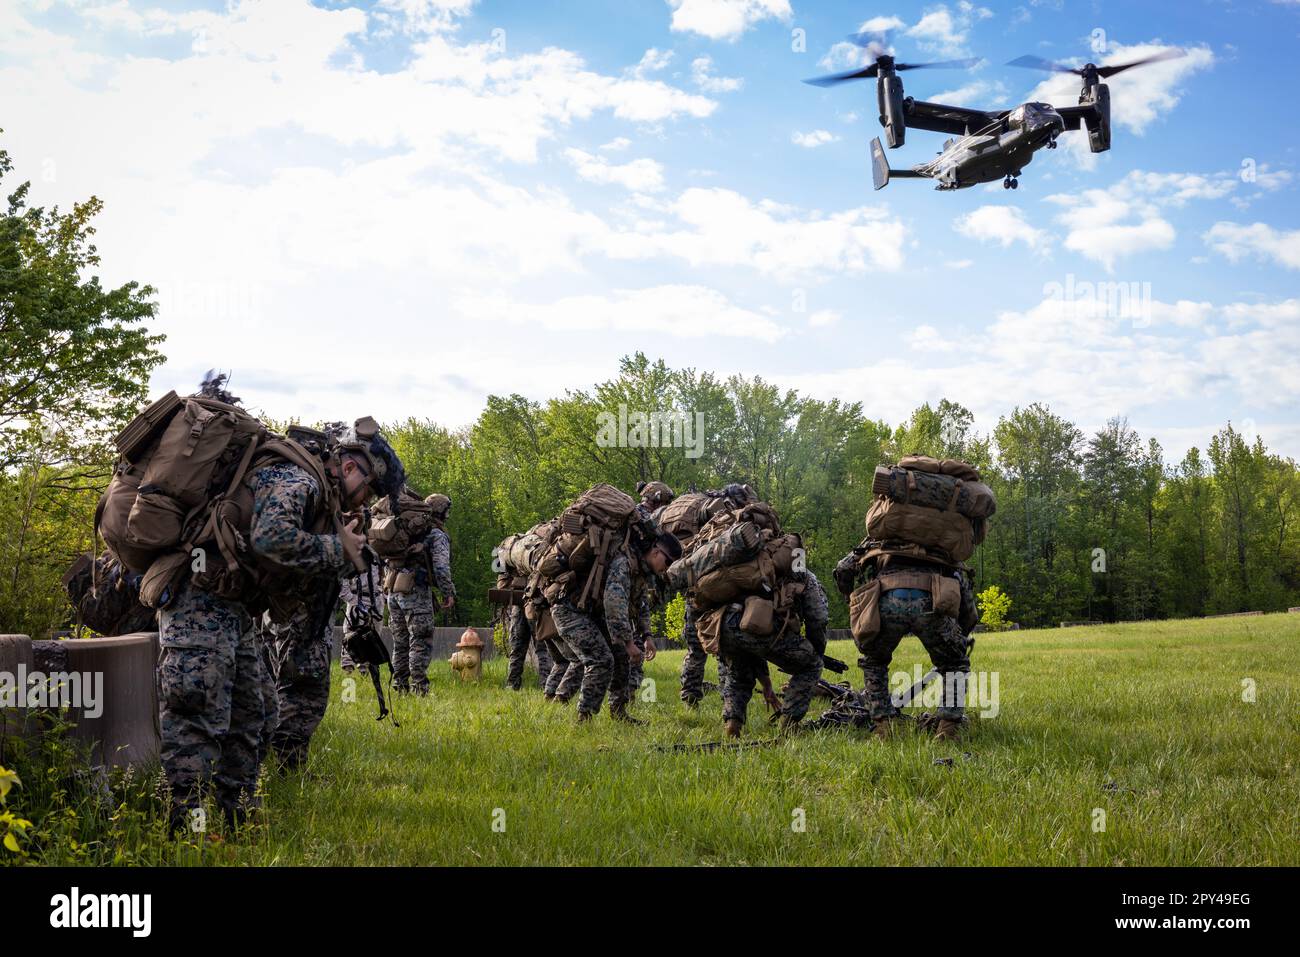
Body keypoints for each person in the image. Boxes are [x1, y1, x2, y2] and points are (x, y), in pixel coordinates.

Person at [157, 405, 403, 833]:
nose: (368, 501)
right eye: (369, 489)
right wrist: (337, 549)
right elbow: (271, 538)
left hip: (235, 610)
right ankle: (186, 829)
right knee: (198, 716)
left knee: (256, 712)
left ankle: (236, 816)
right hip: (199, 602)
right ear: (349, 466)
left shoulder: (319, 494)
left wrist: (340, 551)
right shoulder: (298, 477)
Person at [833, 546, 977, 741]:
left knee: (875, 662)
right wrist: (960, 637)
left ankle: (882, 727)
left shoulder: (880, 539)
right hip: (933, 601)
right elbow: (967, 603)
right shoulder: (942, 543)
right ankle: (947, 729)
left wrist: (851, 598)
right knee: (955, 664)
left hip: (886, 600)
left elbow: (843, 568)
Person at [550, 532, 681, 724]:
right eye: (668, 562)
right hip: (569, 609)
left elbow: (641, 603)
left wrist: (647, 636)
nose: (667, 568)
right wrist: (628, 642)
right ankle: (583, 718)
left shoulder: (642, 570)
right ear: (655, 552)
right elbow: (614, 604)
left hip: (591, 612)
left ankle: (618, 712)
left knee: (620, 658)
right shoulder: (624, 563)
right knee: (601, 659)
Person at [718, 570, 830, 736]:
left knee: (739, 673)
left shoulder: (747, 566)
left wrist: (766, 683)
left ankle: (732, 725)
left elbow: (753, 650)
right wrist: (816, 651)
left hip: (725, 627)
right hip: (759, 624)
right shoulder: (803, 575)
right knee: (812, 665)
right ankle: (789, 726)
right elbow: (818, 617)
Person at [388, 493, 455, 695]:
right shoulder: (435, 534)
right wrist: (448, 592)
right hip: (415, 592)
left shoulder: (408, 530)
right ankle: (420, 689)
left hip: (393, 590)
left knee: (400, 642)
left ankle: (400, 686)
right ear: (441, 511)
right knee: (420, 640)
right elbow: (442, 568)